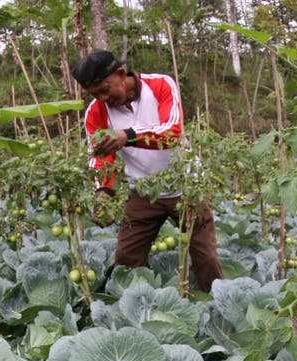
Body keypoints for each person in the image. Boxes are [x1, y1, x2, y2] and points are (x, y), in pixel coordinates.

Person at [71, 49, 223, 293]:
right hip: (142, 192)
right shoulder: (97, 111)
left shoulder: (161, 85)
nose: (102, 98)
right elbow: (101, 158)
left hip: (186, 187)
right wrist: (103, 192)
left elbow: (172, 131)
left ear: (121, 74)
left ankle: (216, 307)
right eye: (95, 94)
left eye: (105, 90)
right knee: (126, 261)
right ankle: (127, 318)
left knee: (206, 258)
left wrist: (128, 136)